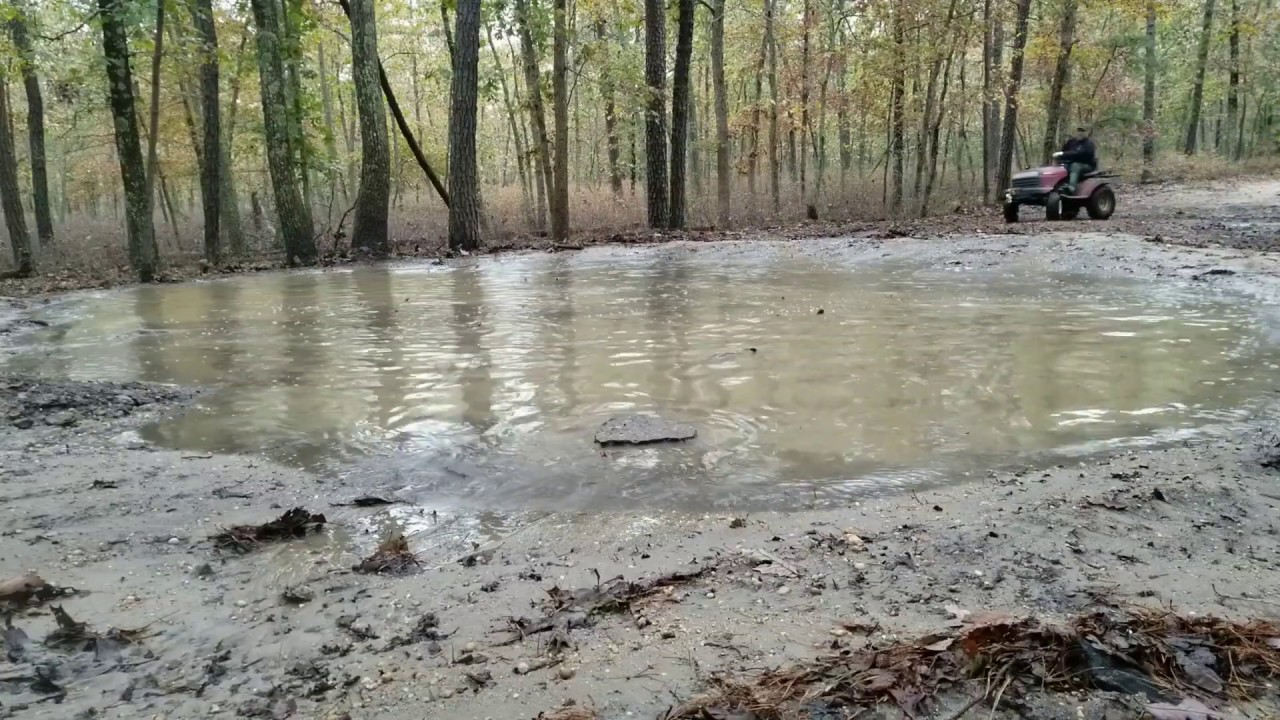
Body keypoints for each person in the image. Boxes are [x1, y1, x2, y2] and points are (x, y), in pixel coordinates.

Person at [1057, 126, 1097, 196]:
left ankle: (1071, 188)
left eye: (1082, 132)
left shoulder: (1089, 144)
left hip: (1087, 165)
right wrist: (1060, 156)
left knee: (1075, 166)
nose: (1080, 133)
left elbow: (1080, 154)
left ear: (1086, 133)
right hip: (1071, 163)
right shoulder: (1072, 142)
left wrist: (1064, 154)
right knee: (1061, 167)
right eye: (1078, 131)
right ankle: (1059, 186)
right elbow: (1064, 151)